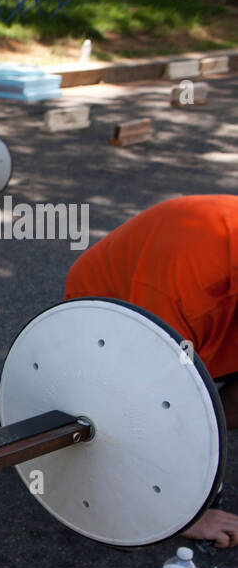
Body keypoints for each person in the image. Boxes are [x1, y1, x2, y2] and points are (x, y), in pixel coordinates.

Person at [65, 195, 238, 547]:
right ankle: (183, 497)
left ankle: (210, 432)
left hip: (200, 311)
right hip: (102, 329)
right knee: (159, 410)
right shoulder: (186, 287)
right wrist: (187, 512)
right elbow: (160, 399)